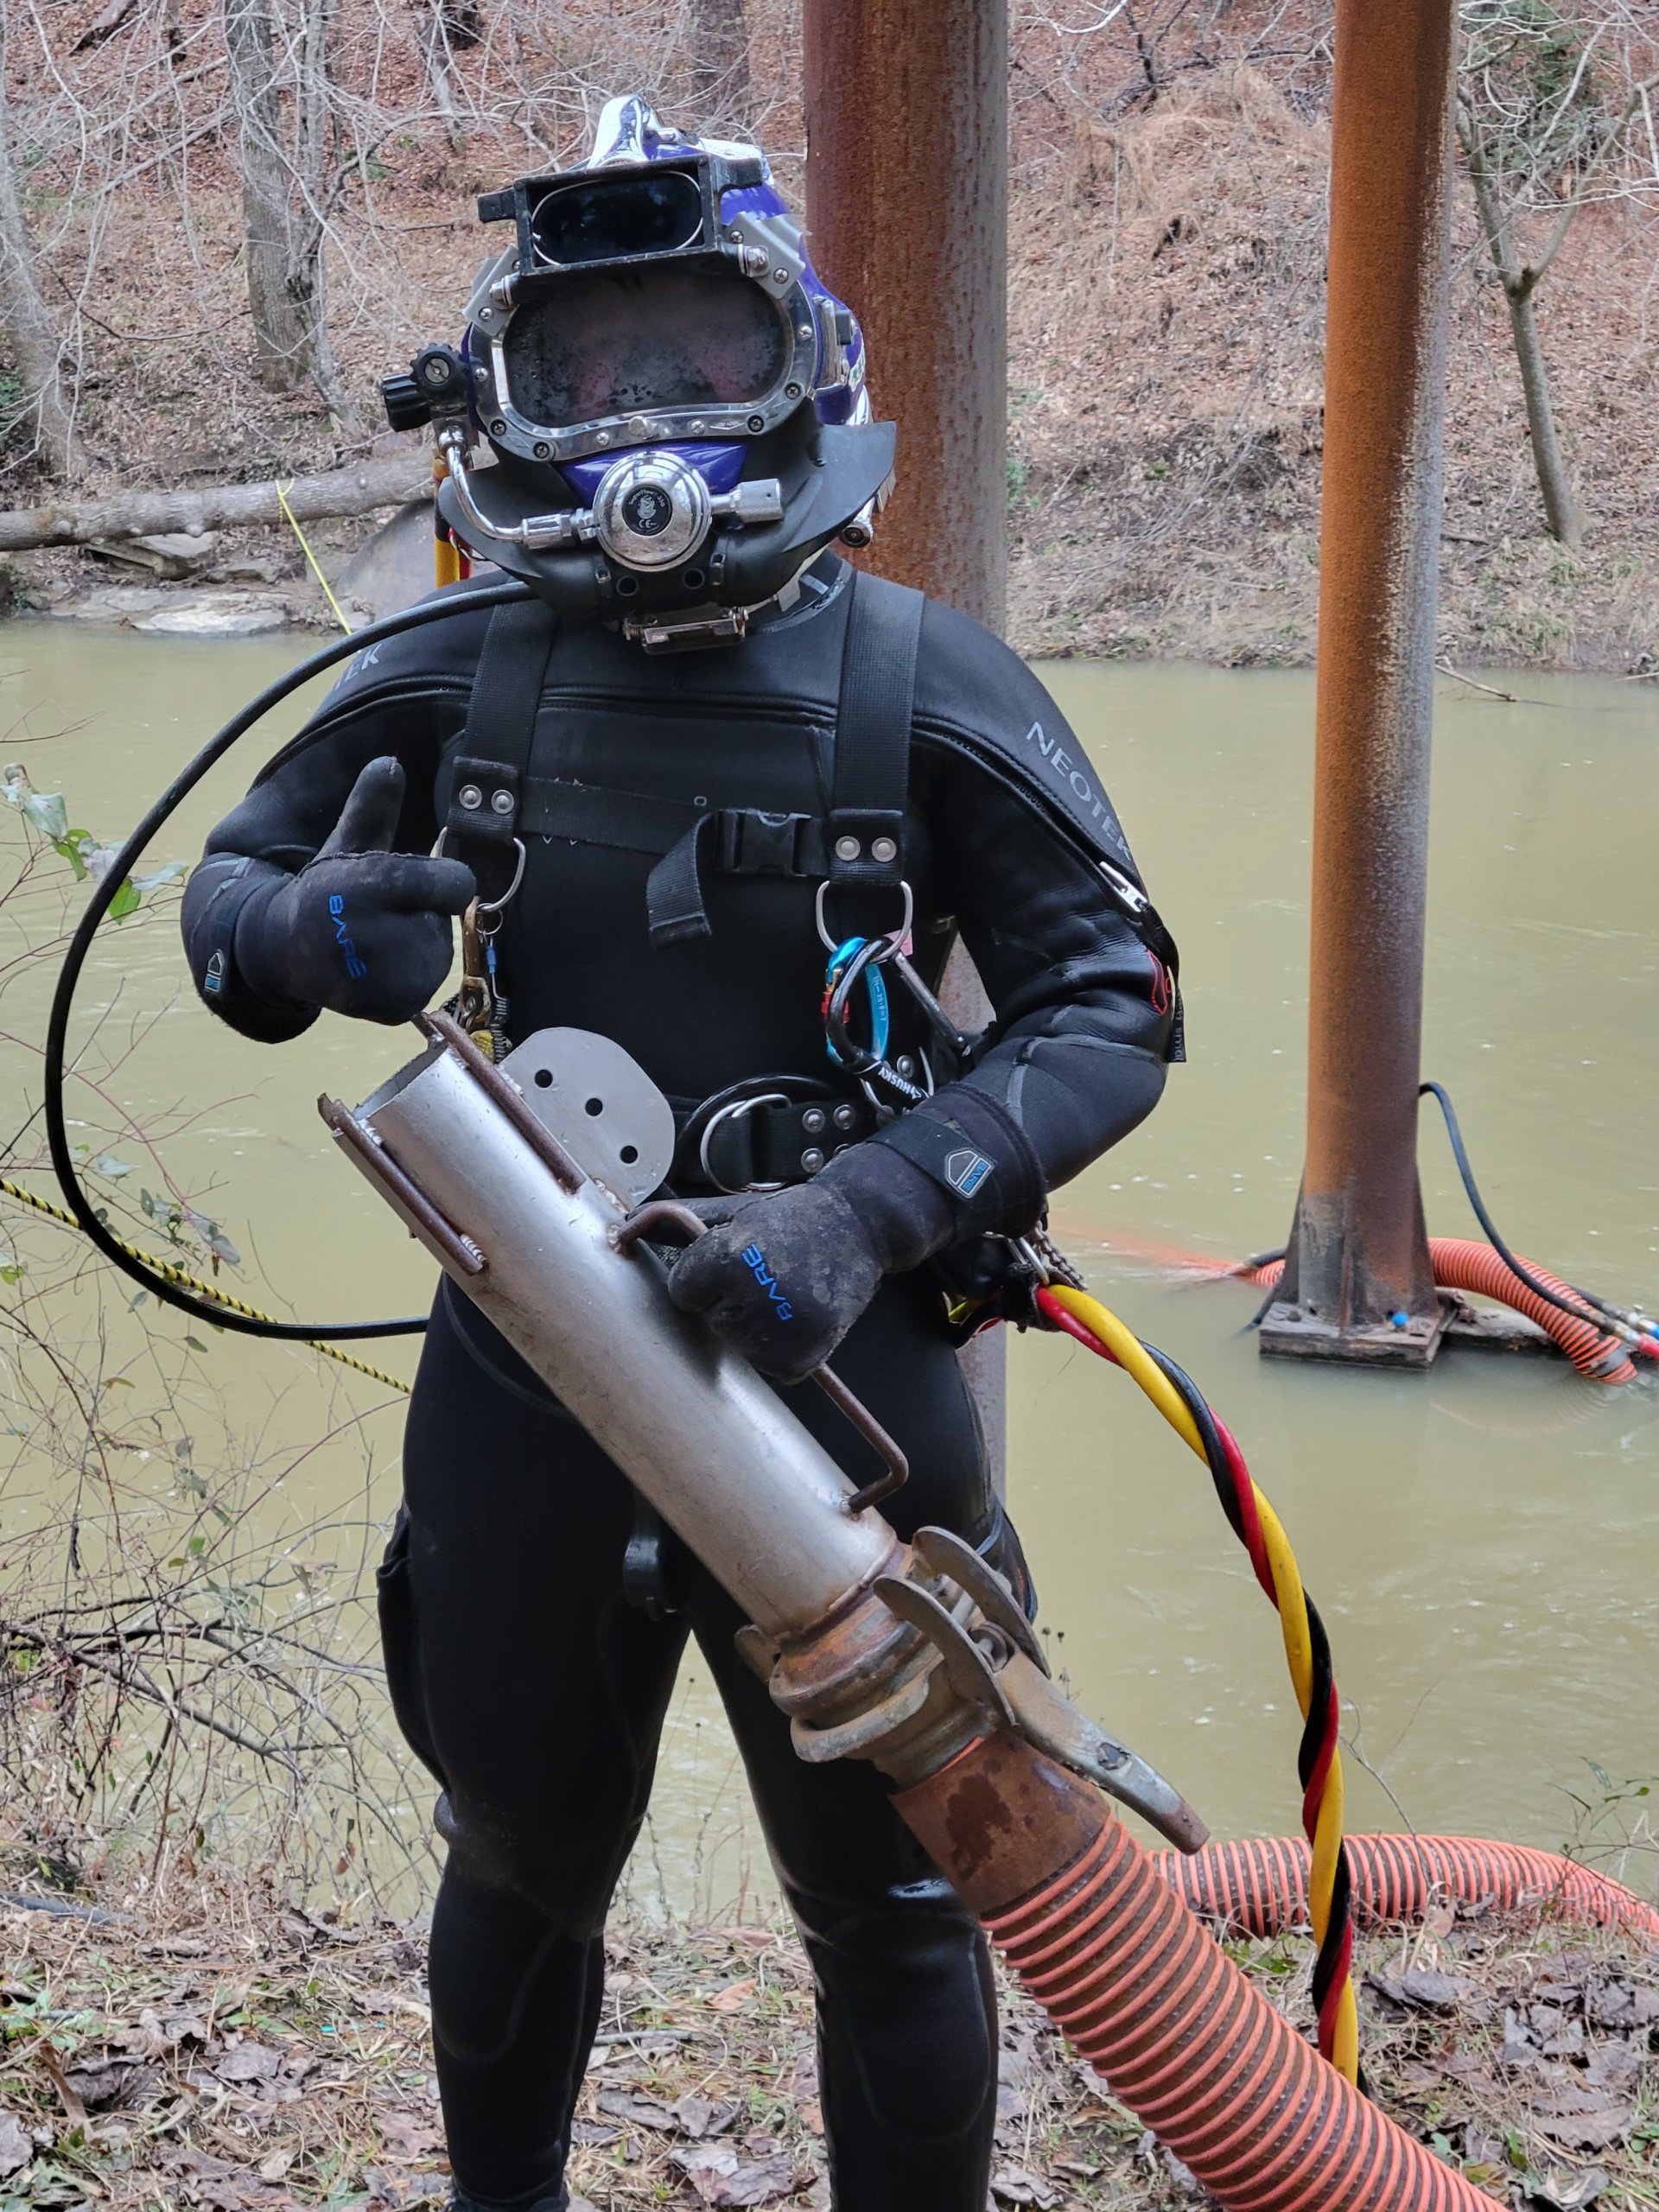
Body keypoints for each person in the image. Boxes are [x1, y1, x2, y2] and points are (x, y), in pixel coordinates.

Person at [181, 97, 1181, 2212]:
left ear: (799, 362)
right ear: (512, 394)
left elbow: (1117, 1006)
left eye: (697, 355)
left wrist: (867, 1209)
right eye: (595, 364)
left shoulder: (921, 677)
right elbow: (222, 909)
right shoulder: (449, 664)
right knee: (521, 1861)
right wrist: (304, 930)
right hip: (525, 1369)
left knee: (899, 1901)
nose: (645, 413)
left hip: (849, 1378)